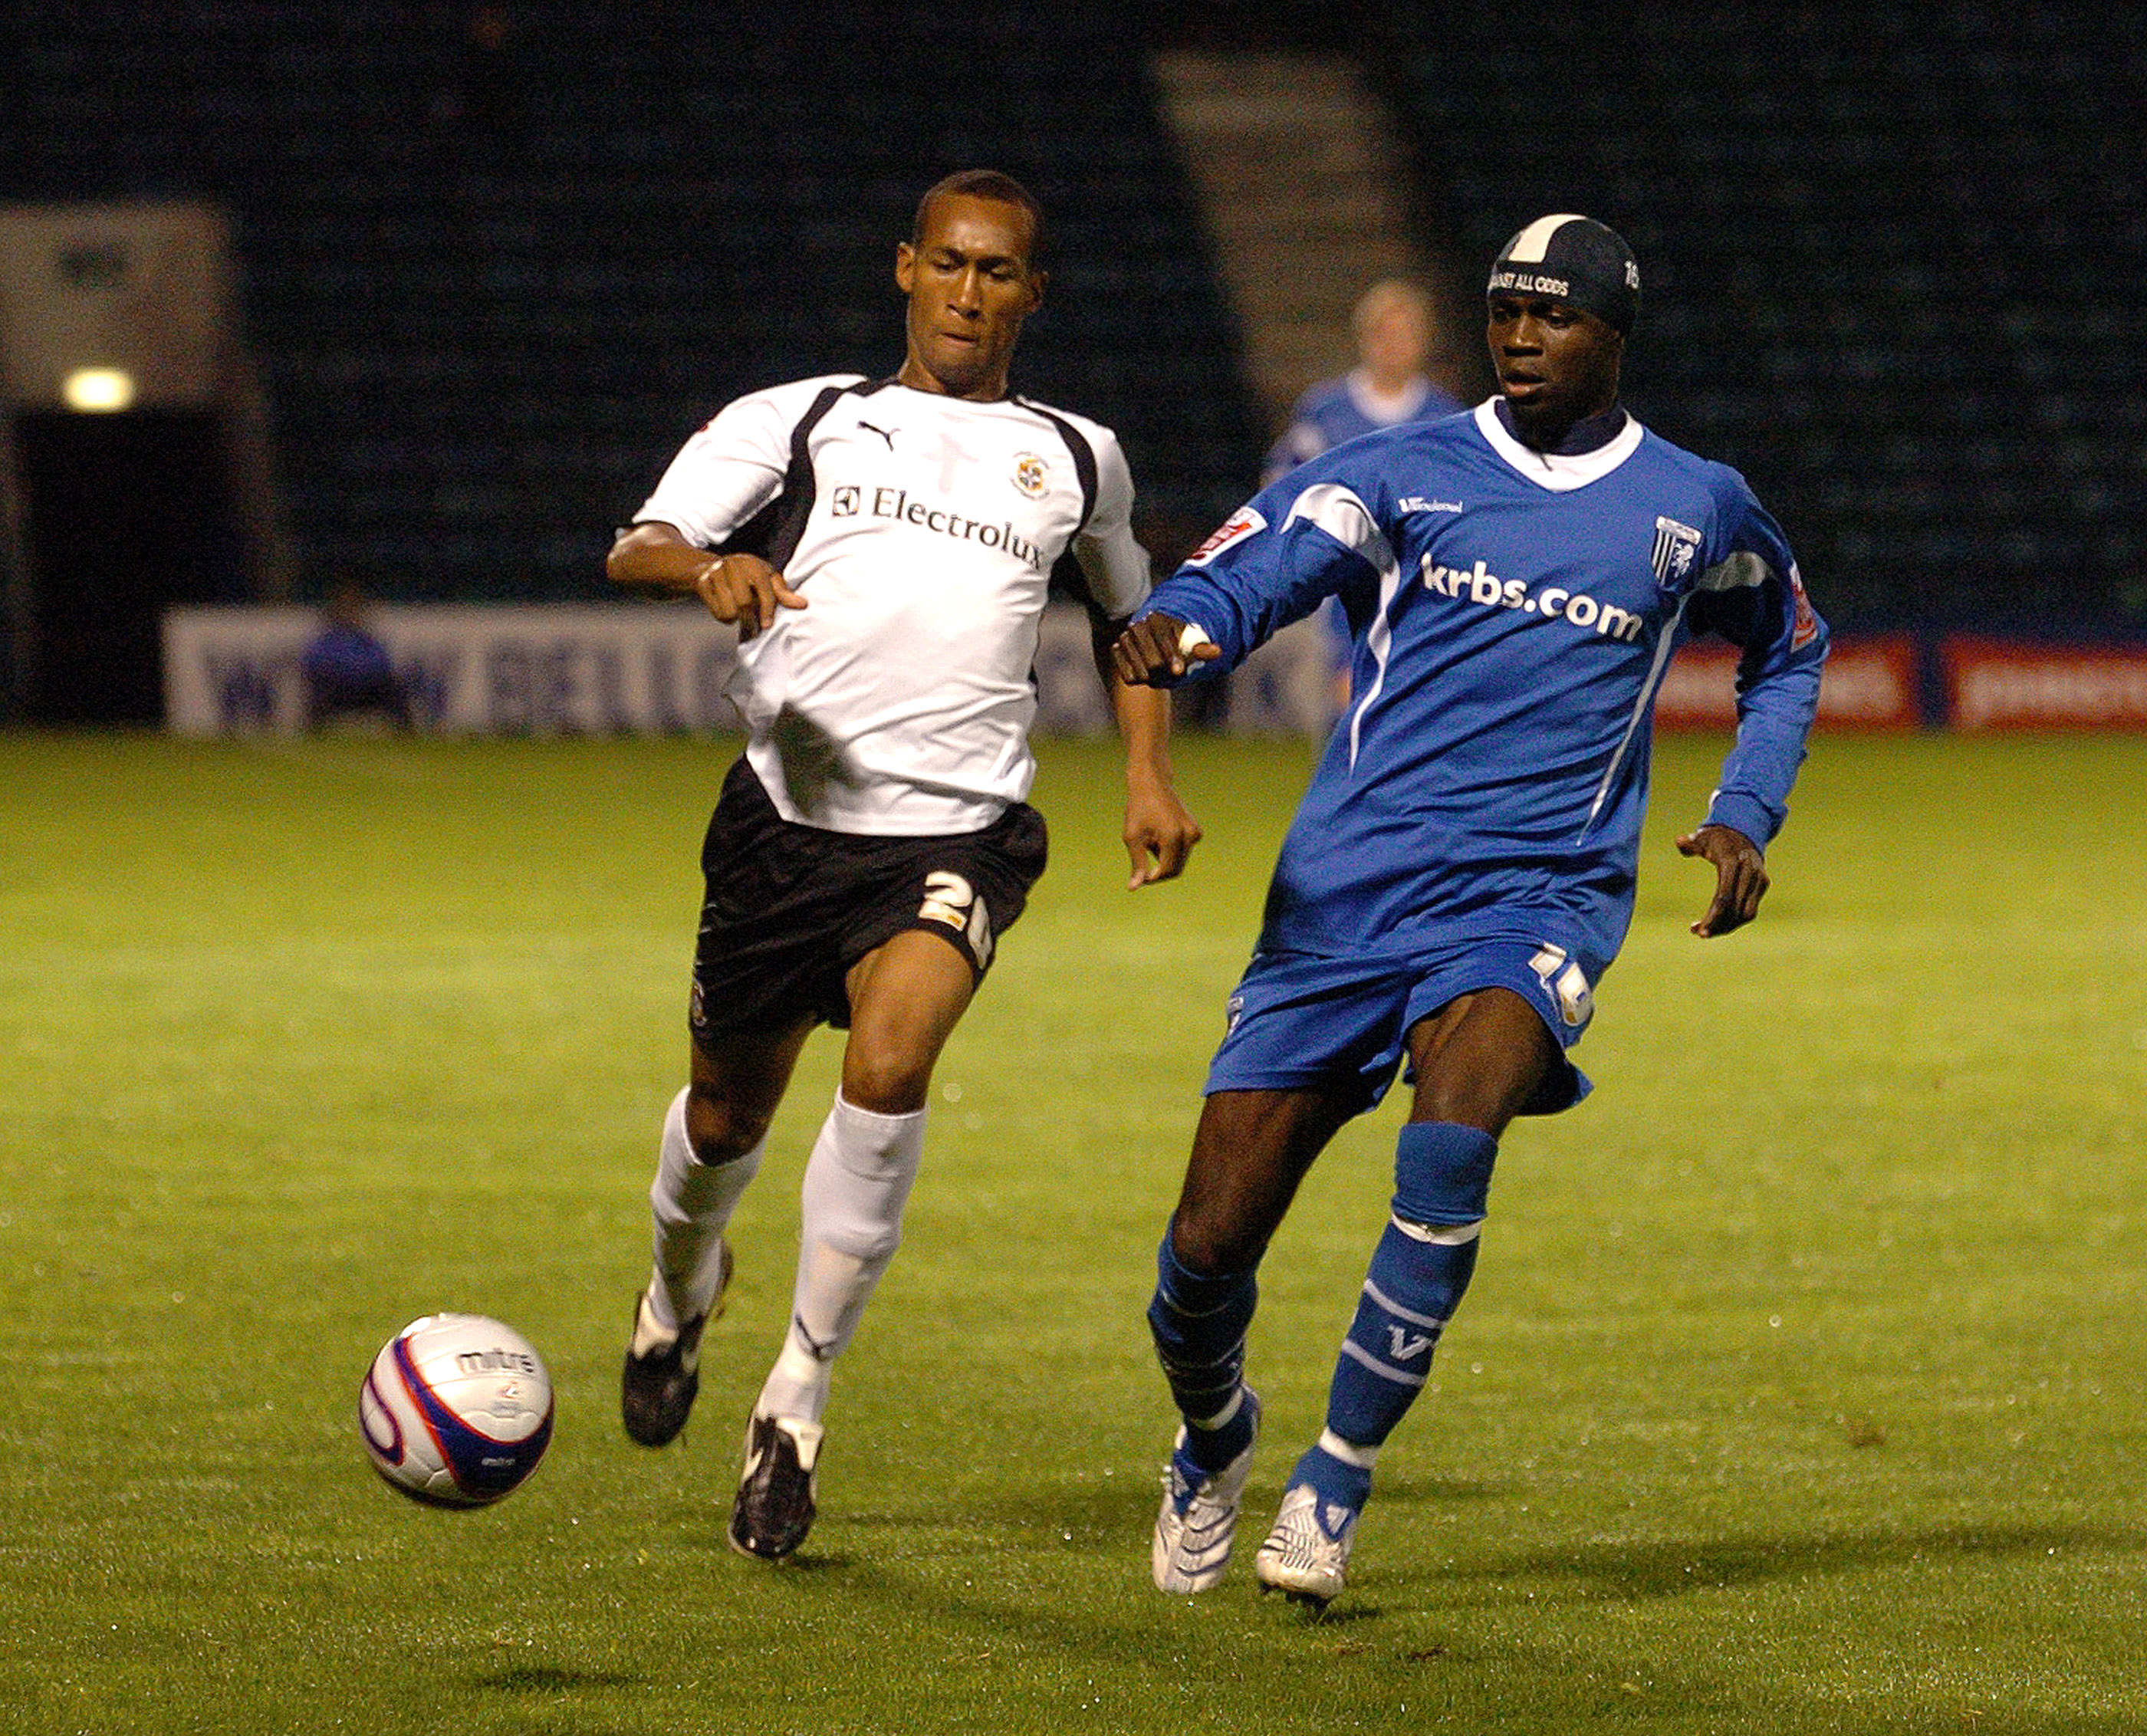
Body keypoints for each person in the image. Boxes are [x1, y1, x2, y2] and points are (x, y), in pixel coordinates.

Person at [1113, 214, 1828, 1609]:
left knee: (1453, 1147)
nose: (1519, 335)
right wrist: (1189, 626)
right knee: (1203, 1252)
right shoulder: (1399, 469)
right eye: (1504, 312)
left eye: (1552, 316)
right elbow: (1252, 566)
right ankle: (1216, 1434)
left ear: (1614, 336)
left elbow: (1791, 646)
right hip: (1345, 897)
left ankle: (1332, 1481)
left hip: (1534, 897)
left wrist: (1747, 807)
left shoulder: (1698, 507)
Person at [607, 169, 1201, 1562]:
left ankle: (796, 1401)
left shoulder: (1078, 456)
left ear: (1032, 294)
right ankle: (677, 1285)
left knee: (888, 1067)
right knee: (722, 1119)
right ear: (905, 270)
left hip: (957, 833)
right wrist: (708, 574)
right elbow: (643, 537)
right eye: (950, 263)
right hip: (783, 827)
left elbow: (1140, 622)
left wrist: (1146, 767)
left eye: (1000, 271)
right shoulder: (803, 418)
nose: (971, 292)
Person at [1260, 278, 1464, 488]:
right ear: (1363, 337)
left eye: (1403, 335)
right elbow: (1280, 482)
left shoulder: (1445, 418)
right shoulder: (1324, 410)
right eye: (1383, 334)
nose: (1393, 346)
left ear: (1423, 341)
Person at [301, 578, 411, 729]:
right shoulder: (327, 639)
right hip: (336, 690)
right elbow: (314, 663)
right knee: (318, 697)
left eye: (353, 609)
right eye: (345, 608)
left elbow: (382, 664)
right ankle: (312, 737)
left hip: (367, 690)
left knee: (394, 692)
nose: (349, 614)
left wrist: (361, 673)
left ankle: (406, 735)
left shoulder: (367, 639)